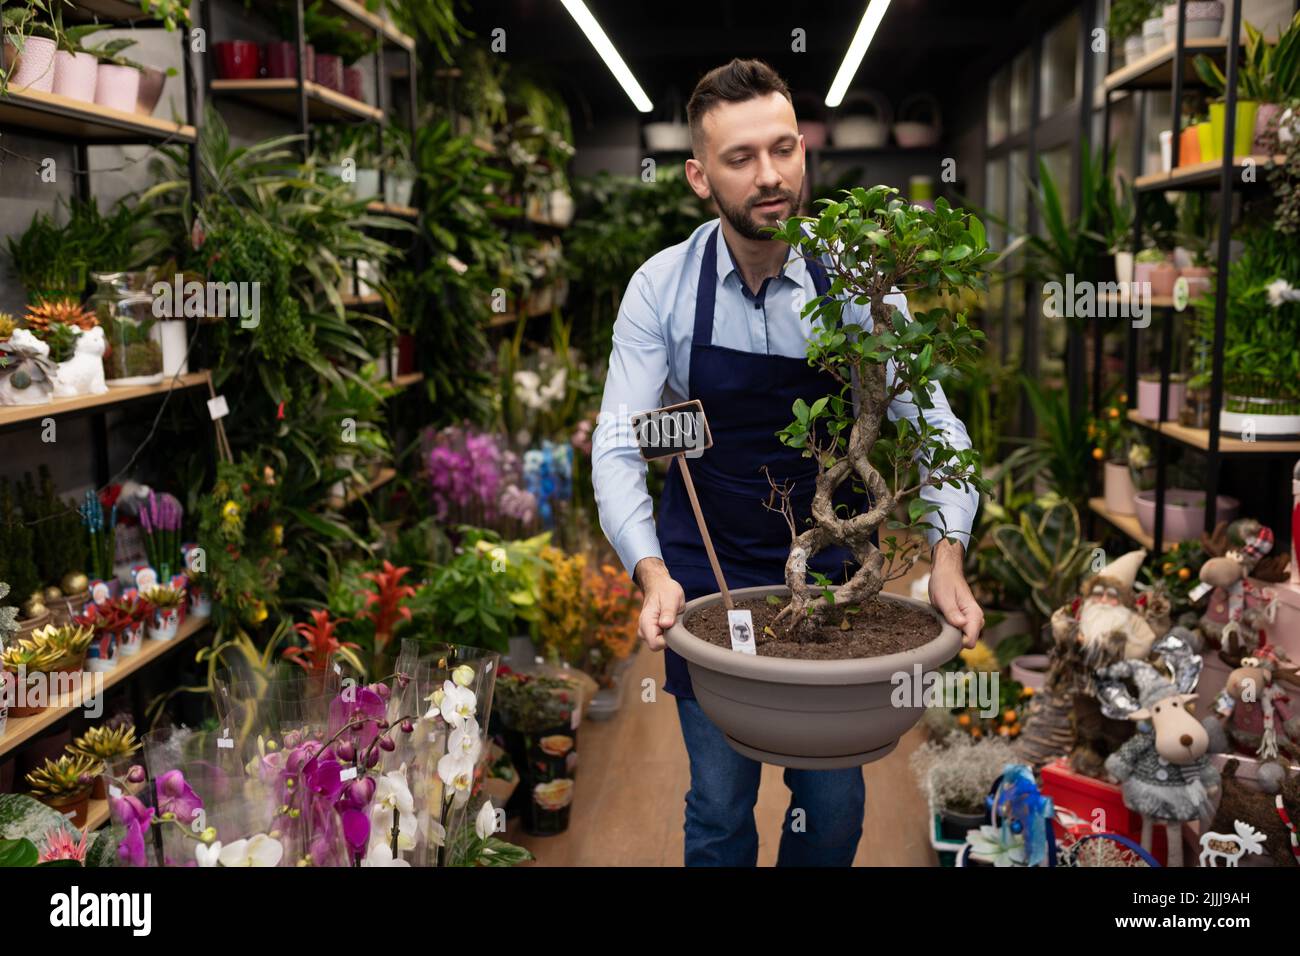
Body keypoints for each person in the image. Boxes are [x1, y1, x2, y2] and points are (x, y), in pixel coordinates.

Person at [590, 58, 983, 867]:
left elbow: (932, 418)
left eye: (784, 148)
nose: (770, 176)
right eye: (740, 158)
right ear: (700, 176)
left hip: (835, 569)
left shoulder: (864, 286)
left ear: (804, 150)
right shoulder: (661, 289)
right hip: (705, 573)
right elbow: (619, 444)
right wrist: (651, 572)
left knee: (833, 807)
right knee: (721, 805)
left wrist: (947, 556)